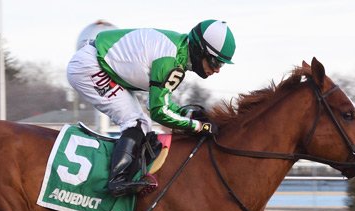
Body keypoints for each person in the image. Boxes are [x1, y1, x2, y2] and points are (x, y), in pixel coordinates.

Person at [67, 19, 236, 196]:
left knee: (142, 124)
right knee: (136, 122)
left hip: (98, 63)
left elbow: (157, 102)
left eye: (221, 64)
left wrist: (186, 113)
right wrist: (198, 126)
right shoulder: (170, 61)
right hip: (89, 67)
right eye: (215, 62)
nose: (217, 70)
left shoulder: (178, 54)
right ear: (199, 50)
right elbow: (158, 112)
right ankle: (118, 181)